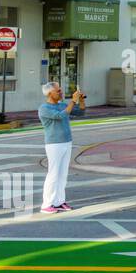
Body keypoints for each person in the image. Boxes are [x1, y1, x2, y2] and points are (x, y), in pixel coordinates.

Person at [38, 82, 85, 214]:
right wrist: (73, 101)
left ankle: (59, 202)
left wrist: (80, 100)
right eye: (58, 91)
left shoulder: (62, 105)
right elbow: (61, 115)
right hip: (54, 144)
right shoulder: (44, 108)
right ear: (49, 93)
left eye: (60, 91)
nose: (61, 93)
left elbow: (81, 112)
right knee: (53, 173)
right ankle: (46, 204)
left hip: (66, 142)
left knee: (62, 174)